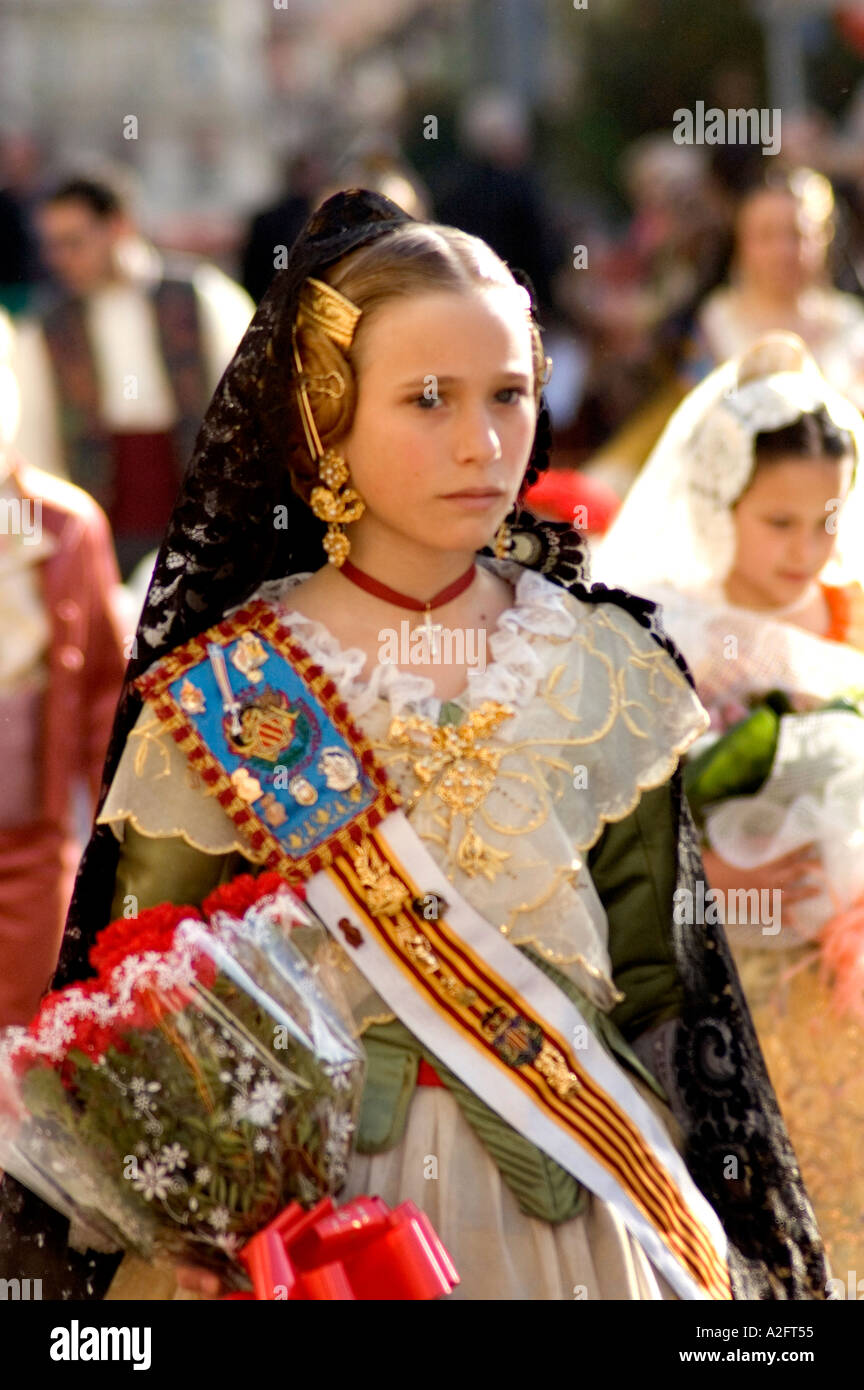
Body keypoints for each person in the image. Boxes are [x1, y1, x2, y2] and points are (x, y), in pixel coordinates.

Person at [0, 191, 828, 1302]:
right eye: (427, 399)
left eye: (510, 395)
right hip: (315, 1229)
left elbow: (658, 985)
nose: (481, 442)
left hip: (579, 1199)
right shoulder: (234, 689)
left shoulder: (601, 665)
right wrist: (182, 1223)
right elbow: (149, 992)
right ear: (324, 413)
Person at [594, 332, 864, 1278]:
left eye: (827, 520)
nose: (808, 550)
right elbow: (607, 817)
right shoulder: (669, 630)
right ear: (721, 503)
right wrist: (717, 874)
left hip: (843, 982)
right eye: (779, 522)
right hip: (724, 987)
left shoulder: (850, 610)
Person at [10, 171, 254, 577]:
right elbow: (32, 450)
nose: (59, 258)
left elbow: (251, 413)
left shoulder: (203, 298)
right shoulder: (44, 328)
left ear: (120, 225)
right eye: (51, 246)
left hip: (203, 530)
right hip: (98, 535)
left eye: (73, 242)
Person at [0, 306, 127, 1028]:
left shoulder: (62, 524)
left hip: (31, 832)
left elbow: (105, 692)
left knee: (30, 1034)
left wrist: (113, 849)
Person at [684, 169, 864, 408]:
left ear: (824, 238)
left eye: (797, 234)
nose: (783, 252)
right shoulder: (716, 321)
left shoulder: (850, 323)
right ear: (742, 243)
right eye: (766, 236)